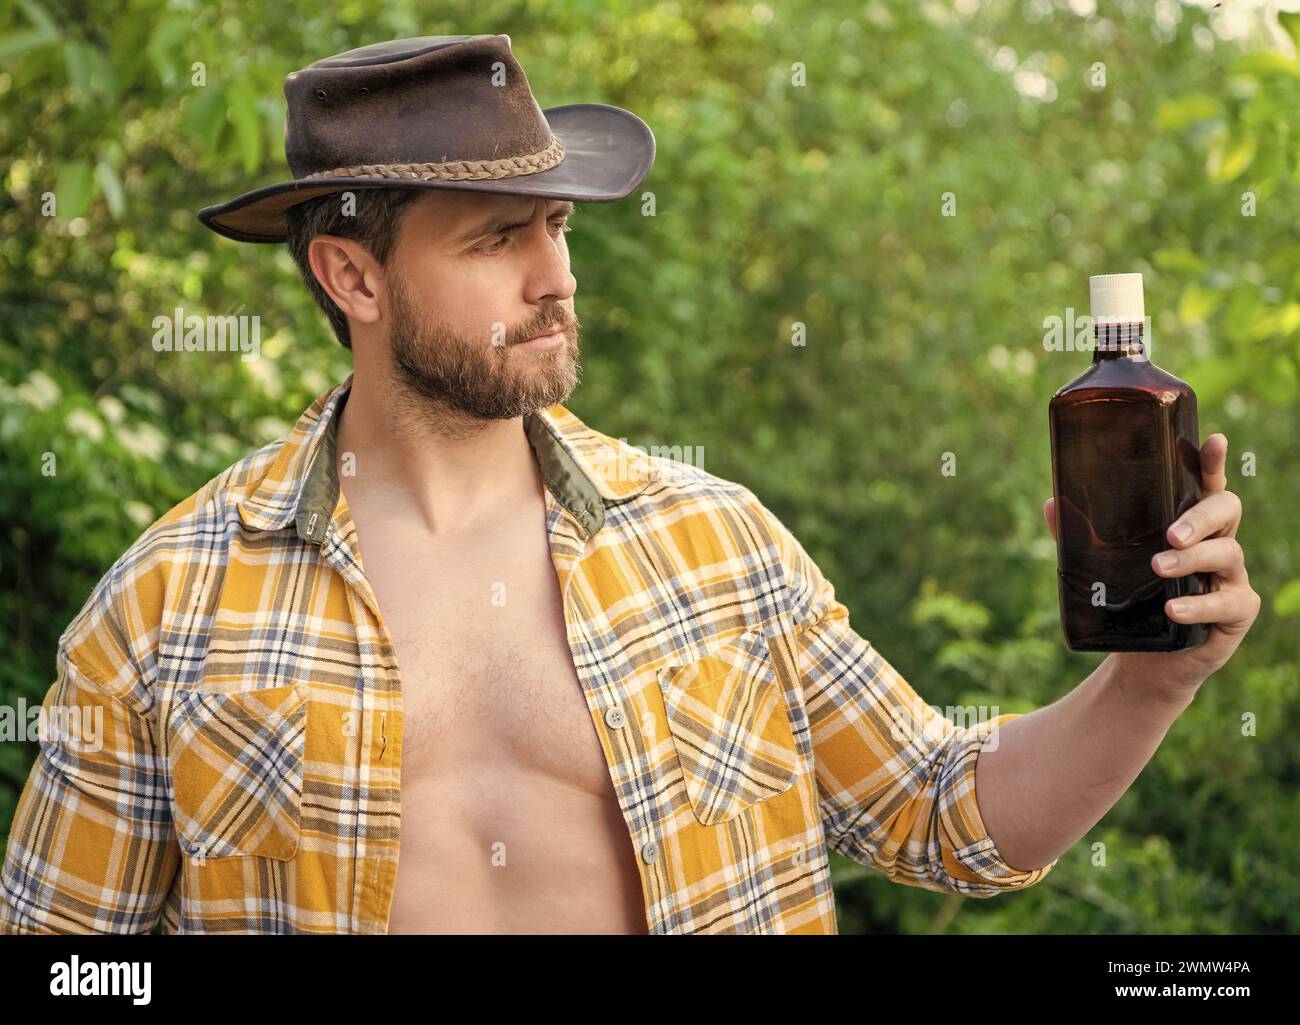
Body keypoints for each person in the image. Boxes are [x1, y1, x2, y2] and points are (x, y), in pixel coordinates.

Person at [0, 35, 1261, 935]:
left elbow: (946, 818)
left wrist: (1151, 675)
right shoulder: (162, 607)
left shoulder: (713, 542)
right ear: (353, 277)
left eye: (558, 226)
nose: (555, 276)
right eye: (499, 239)